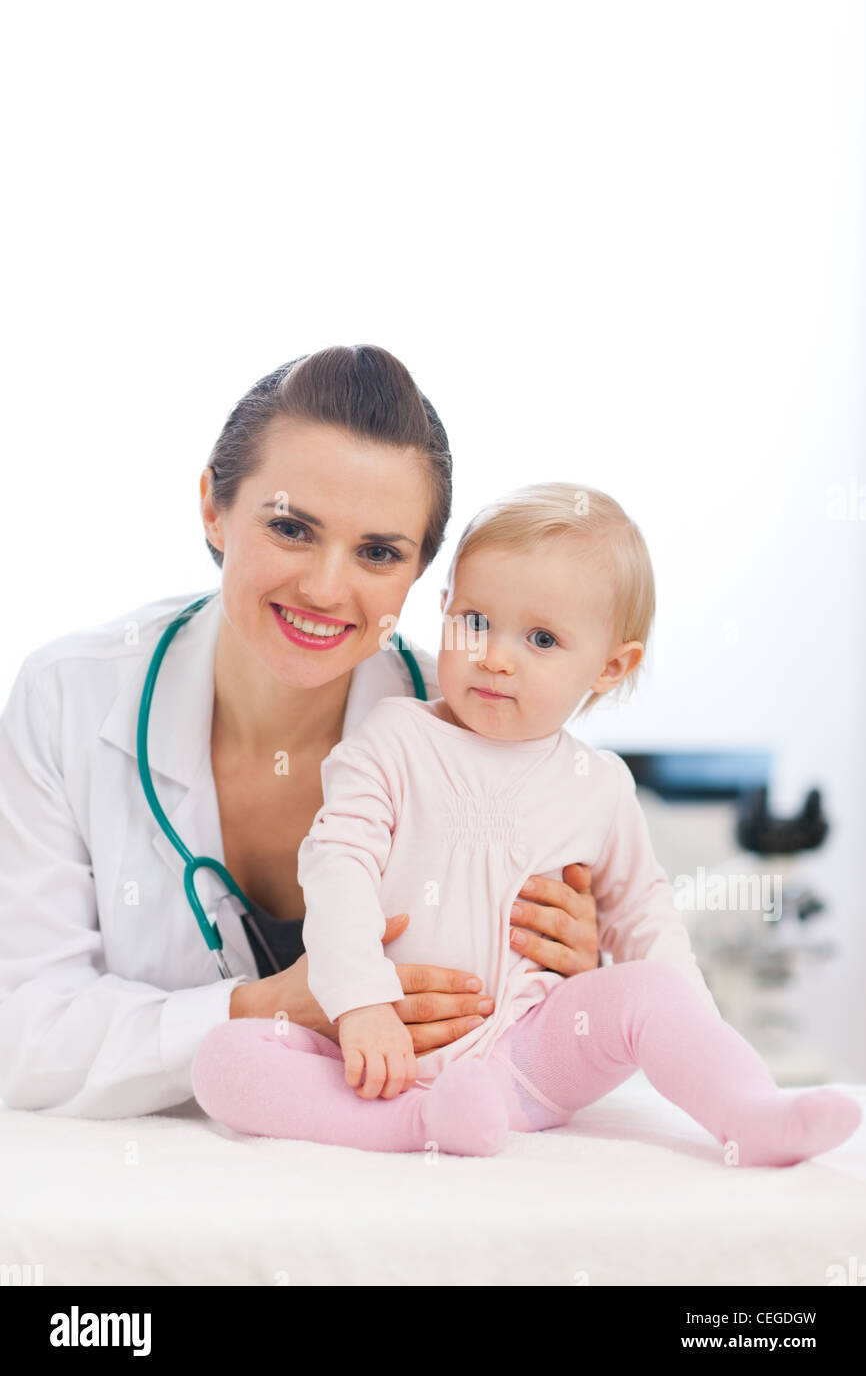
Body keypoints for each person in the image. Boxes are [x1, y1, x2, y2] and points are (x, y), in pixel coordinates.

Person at [0, 347, 598, 1118]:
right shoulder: (68, 698)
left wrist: (574, 974)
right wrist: (258, 1009)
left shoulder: (494, 730)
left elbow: (530, 1036)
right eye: (290, 527)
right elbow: (19, 1037)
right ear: (214, 507)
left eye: (379, 552)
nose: (324, 588)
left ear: (421, 572)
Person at [191, 482, 862, 1166]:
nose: (496, 656)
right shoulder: (391, 740)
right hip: (376, 1051)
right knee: (225, 1061)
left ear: (610, 666)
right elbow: (338, 866)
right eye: (475, 622)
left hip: (530, 1056)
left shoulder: (598, 785)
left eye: (541, 638)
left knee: (653, 991)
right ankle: (420, 1120)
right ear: (445, 609)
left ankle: (747, 1111)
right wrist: (360, 1003)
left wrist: (697, 1042)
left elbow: (643, 920)